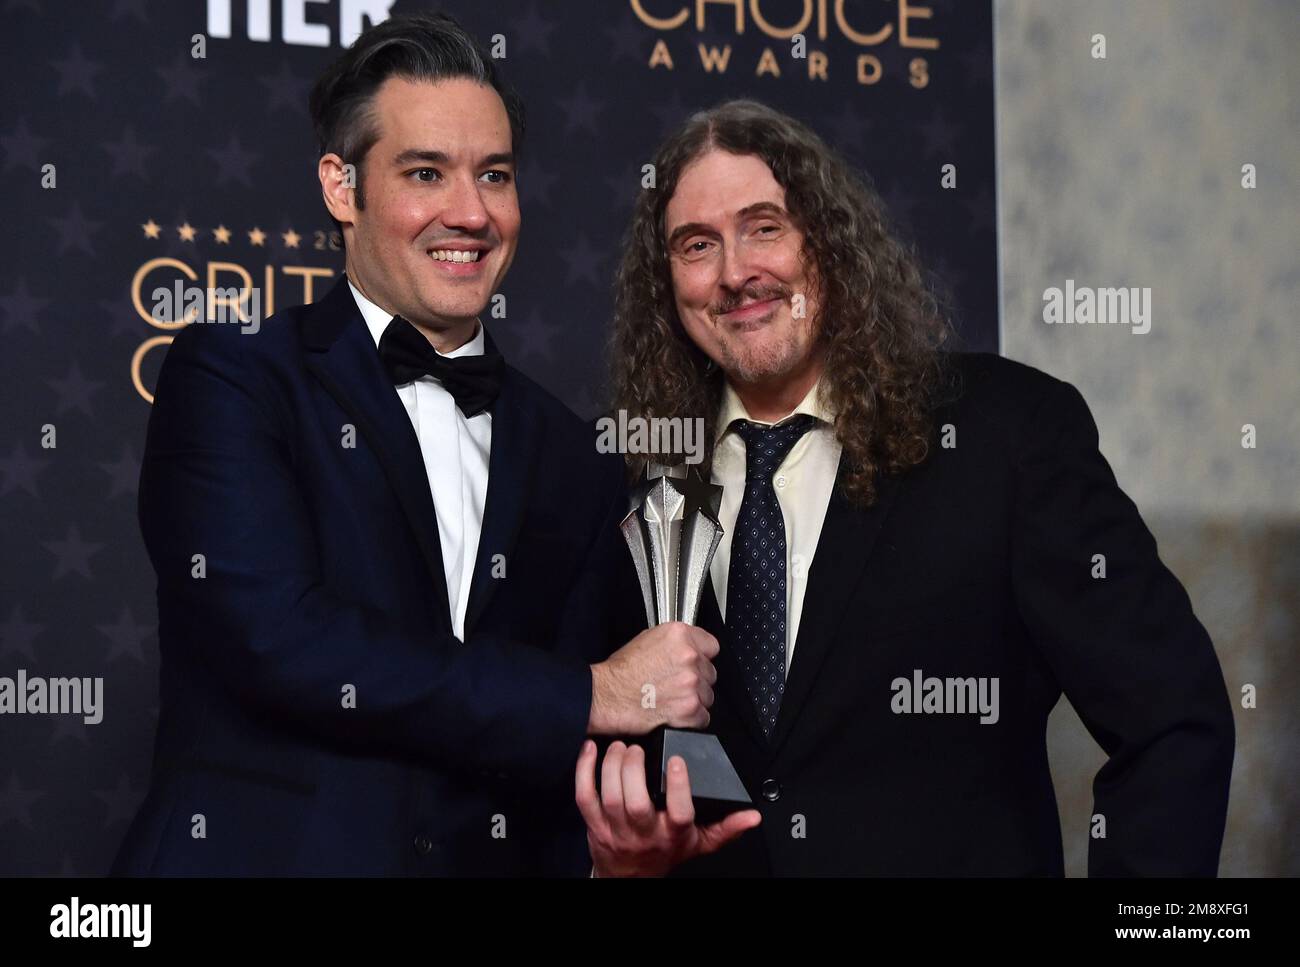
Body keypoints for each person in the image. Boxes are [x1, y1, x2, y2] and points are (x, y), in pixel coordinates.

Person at [111, 12, 720, 877]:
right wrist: (594, 691)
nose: (470, 213)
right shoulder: (234, 376)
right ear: (341, 187)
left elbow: (553, 772)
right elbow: (279, 640)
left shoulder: (575, 455)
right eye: (425, 172)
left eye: (495, 175)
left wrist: (621, 852)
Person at [577, 99, 1235, 876]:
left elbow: (1172, 717)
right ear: (666, 286)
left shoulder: (1008, 432)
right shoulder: (627, 486)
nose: (735, 272)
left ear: (828, 238)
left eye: (765, 226)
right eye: (697, 245)